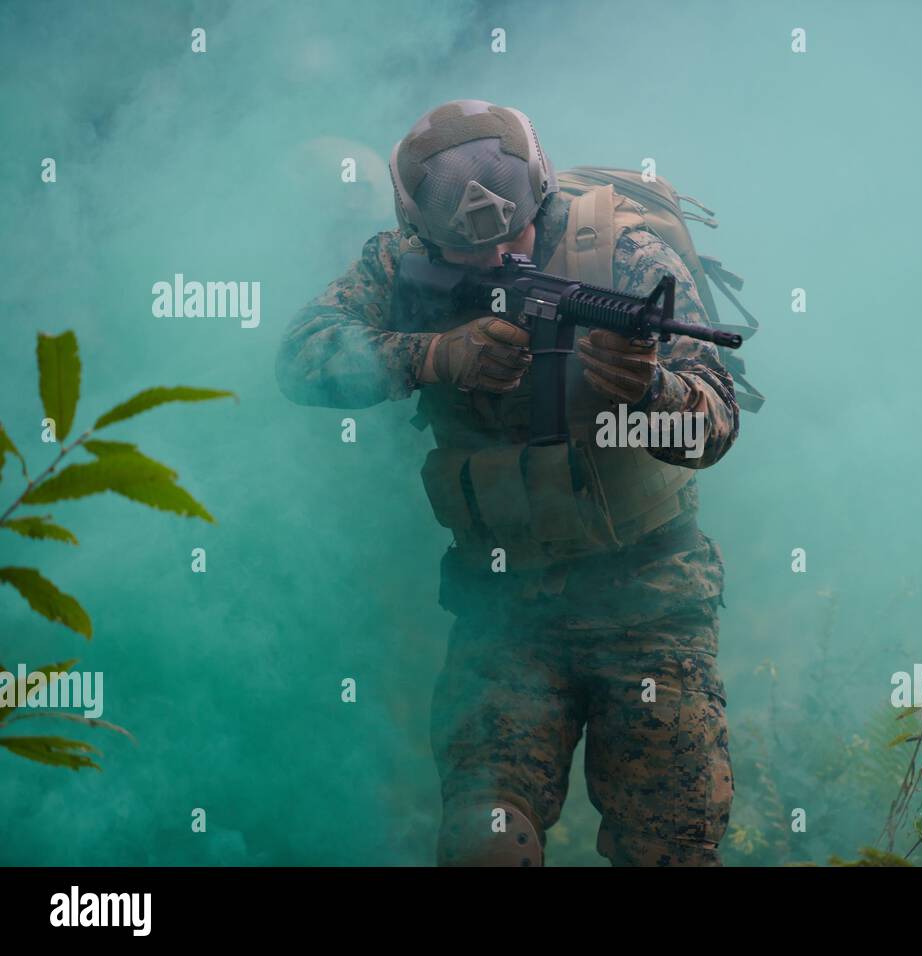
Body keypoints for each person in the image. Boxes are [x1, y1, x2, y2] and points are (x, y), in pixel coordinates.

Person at [276, 99, 740, 866]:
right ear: (421, 231)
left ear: (542, 195)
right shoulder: (395, 262)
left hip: (650, 607)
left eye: (516, 238)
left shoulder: (623, 256)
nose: (498, 264)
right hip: (505, 616)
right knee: (484, 843)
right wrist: (429, 357)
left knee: (670, 851)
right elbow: (301, 358)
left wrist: (651, 390)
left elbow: (716, 423)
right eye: (468, 255)